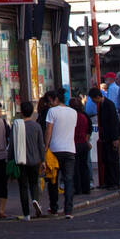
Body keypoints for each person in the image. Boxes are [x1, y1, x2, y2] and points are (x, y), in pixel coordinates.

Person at [44, 89, 78, 218]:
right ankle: (68, 210)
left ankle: (54, 207)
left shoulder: (52, 112)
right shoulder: (73, 112)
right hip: (70, 149)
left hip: (55, 150)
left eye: (49, 101)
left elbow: (49, 131)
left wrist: (45, 147)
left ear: (55, 100)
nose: (49, 104)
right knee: (68, 180)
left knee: (53, 179)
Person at [12, 101, 46, 219]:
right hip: (35, 160)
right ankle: (35, 200)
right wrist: (43, 160)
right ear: (32, 112)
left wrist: (10, 159)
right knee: (34, 183)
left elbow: (12, 144)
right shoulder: (37, 126)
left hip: (21, 160)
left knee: (23, 186)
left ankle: (26, 214)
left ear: (21, 112)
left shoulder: (16, 125)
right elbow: (41, 145)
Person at [91, 85, 120, 189]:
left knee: (112, 160)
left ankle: (115, 182)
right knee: (107, 160)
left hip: (111, 137)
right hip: (105, 137)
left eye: (93, 98)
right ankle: (108, 182)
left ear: (97, 97)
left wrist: (115, 138)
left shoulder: (109, 105)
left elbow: (113, 122)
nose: (93, 101)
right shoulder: (102, 105)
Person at [72, 94, 92, 194]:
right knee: (84, 167)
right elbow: (89, 129)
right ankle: (86, 188)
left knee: (76, 168)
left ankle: (78, 189)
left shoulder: (72, 117)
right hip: (84, 143)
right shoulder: (84, 116)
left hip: (75, 144)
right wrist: (87, 140)